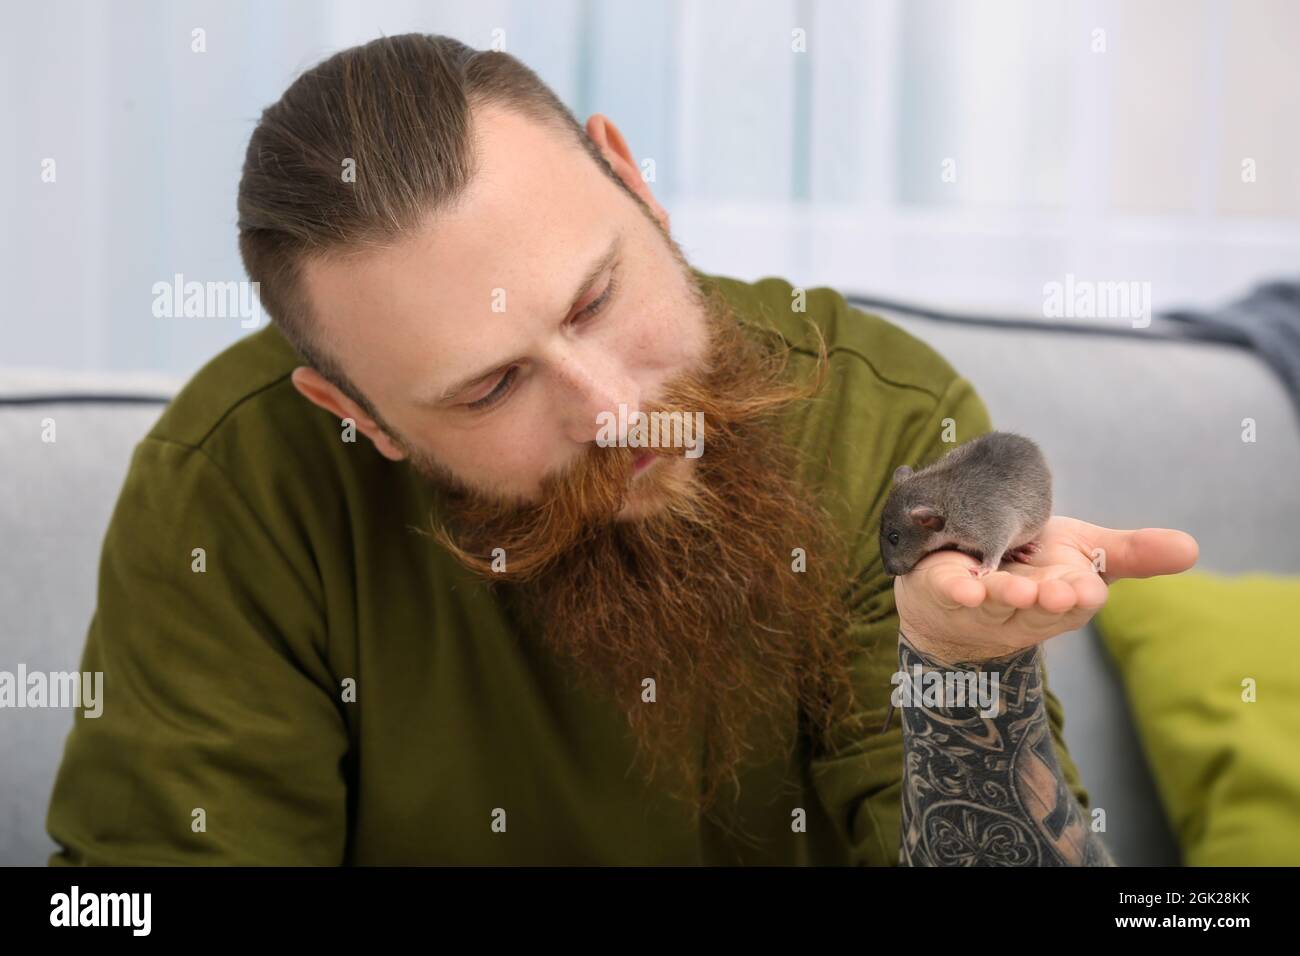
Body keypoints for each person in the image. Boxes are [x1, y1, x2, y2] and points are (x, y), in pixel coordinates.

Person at [46, 33, 1197, 866]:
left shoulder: (888, 426)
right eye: (493, 383)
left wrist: (961, 676)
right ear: (363, 418)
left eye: (595, 298)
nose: (610, 408)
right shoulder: (232, 484)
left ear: (633, 181)